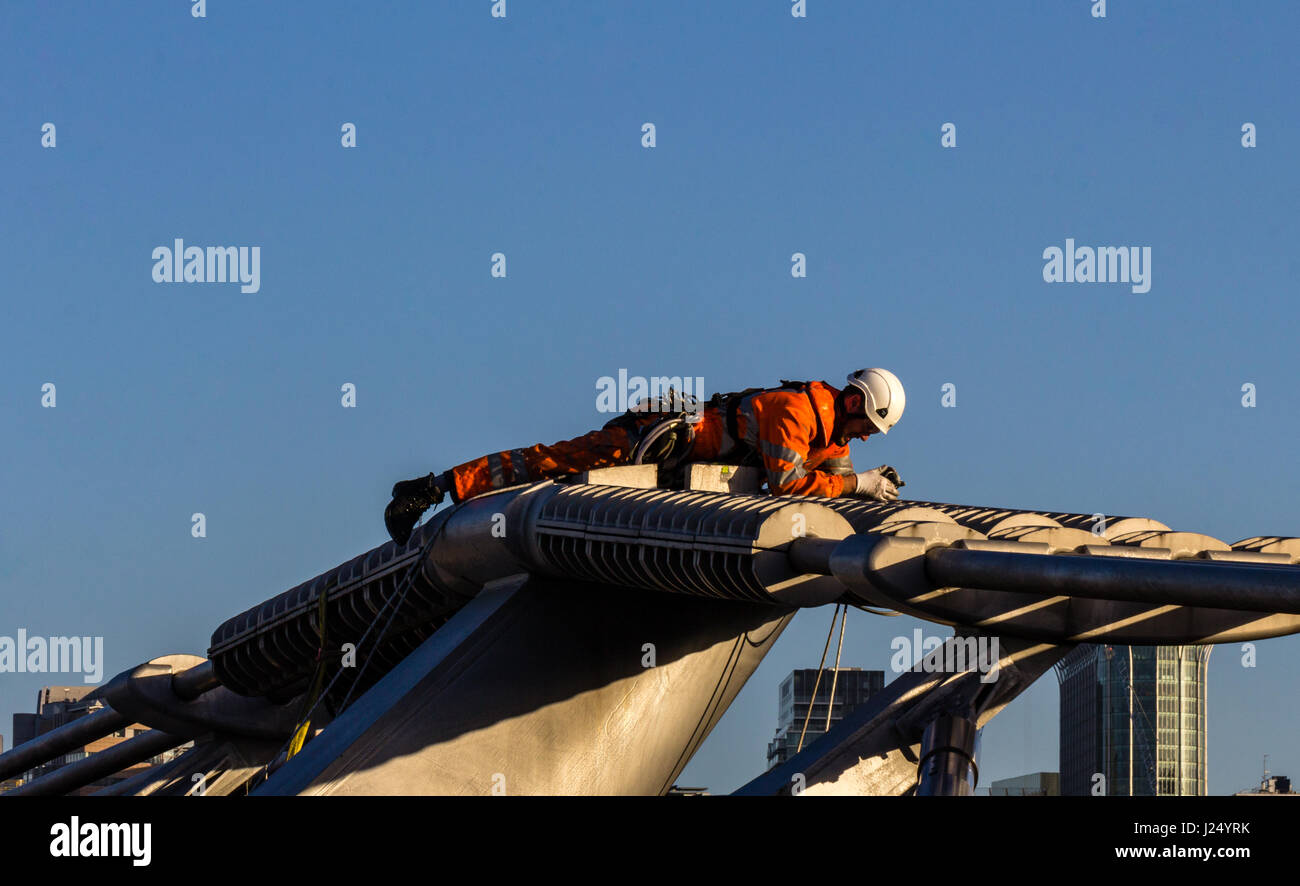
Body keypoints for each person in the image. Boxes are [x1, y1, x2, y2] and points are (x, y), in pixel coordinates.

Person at [384, 368, 906, 545]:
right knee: (556, 461)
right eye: (867, 428)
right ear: (855, 403)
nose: (863, 440)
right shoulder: (794, 412)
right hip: (665, 438)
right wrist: (857, 484)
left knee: (558, 463)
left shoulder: (830, 434)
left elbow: (834, 486)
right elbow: (788, 487)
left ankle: (444, 487)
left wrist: (867, 490)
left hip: (683, 453)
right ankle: (435, 488)